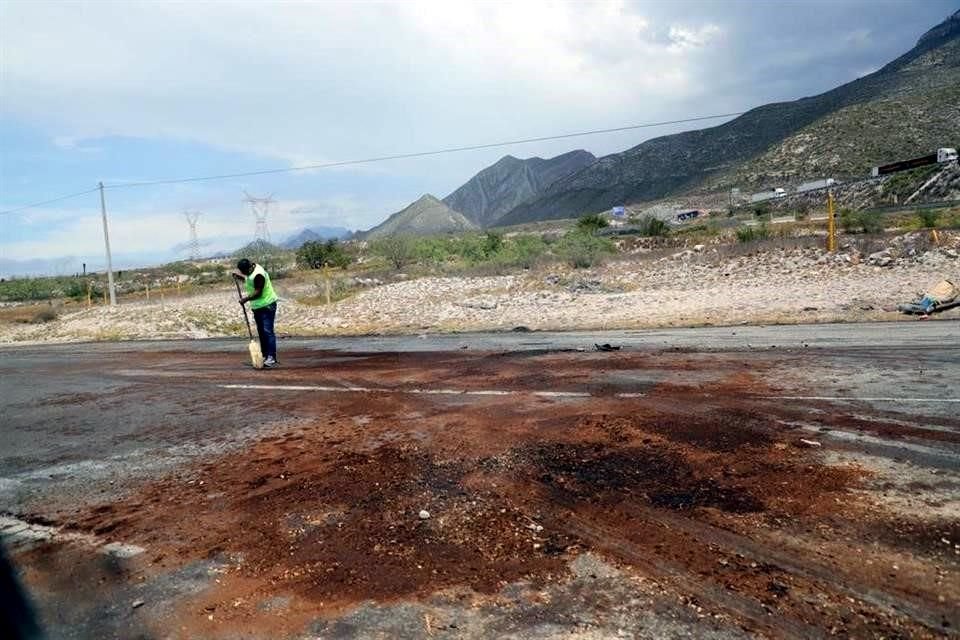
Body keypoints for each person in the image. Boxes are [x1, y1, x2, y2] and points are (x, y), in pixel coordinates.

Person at [233, 258, 279, 368]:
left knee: (267, 331)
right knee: (261, 332)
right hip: (257, 307)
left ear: (248, 268)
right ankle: (264, 355)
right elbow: (249, 280)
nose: (243, 274)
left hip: (267, 305)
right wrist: (239, 277)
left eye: (243, 272)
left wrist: (245, 299)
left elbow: (258, 292)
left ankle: (271, 357)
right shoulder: (250, 271)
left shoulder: (258, 274)